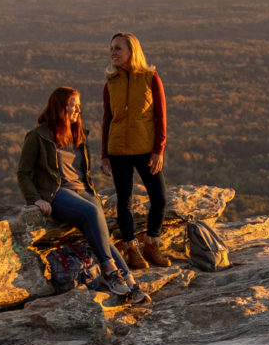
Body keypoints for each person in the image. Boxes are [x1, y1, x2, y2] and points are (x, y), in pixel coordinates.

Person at [15, 85, 137, 297]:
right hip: (58, 191)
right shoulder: (38, 136)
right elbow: (23, 173)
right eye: (73, 106)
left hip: (83, 190)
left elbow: (82, 171)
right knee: (92, 213)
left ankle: (130, 282)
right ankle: (110, 272)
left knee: (103, 236)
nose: (78, 110)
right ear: (60, 107)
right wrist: (34, 199)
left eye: (79, 106)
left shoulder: (79, 135)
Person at [101, 31, 170, 263]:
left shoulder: (151, 78)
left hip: (145, 148)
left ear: (132, 51)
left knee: (159, 199)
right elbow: (107, 119)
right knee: (125, 201)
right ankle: (131, 249)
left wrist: (159, 149)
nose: (113, 52)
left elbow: (161, 116)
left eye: (118, 48)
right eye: (112, 48)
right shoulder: (110, 83)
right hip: (118, 150)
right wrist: (104, 154)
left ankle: (151, 244)